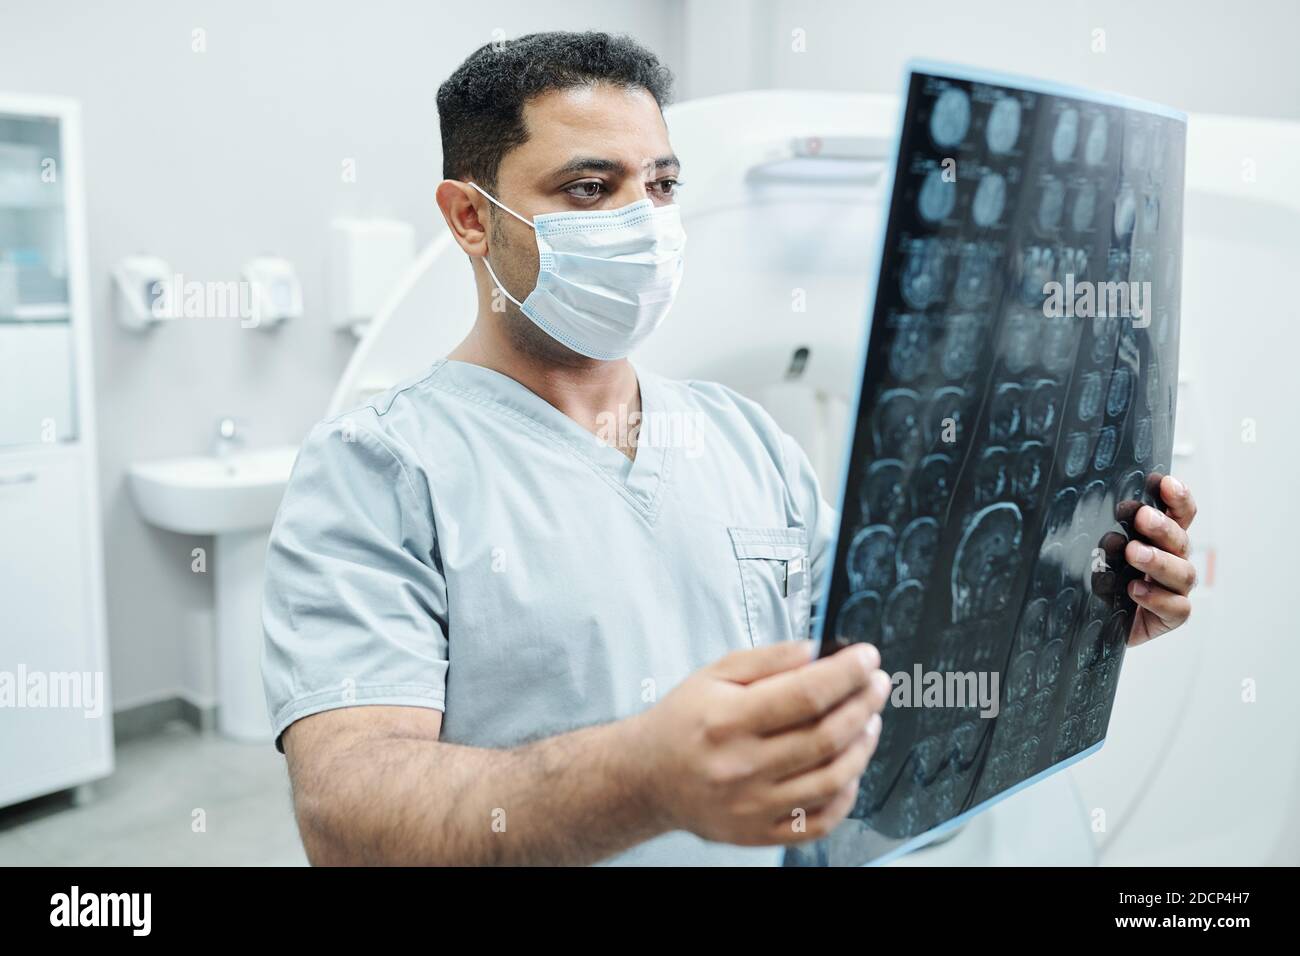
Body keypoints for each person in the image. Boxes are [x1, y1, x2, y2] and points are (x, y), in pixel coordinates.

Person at [261, 31, 1199, 866]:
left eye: (661, 185)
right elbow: (349, 818)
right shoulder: (380, 469)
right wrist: (645, 780)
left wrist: (1082, 600)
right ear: (471, 217)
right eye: (591, 188)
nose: (644, 221)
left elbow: (879, 668)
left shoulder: (742, 438)